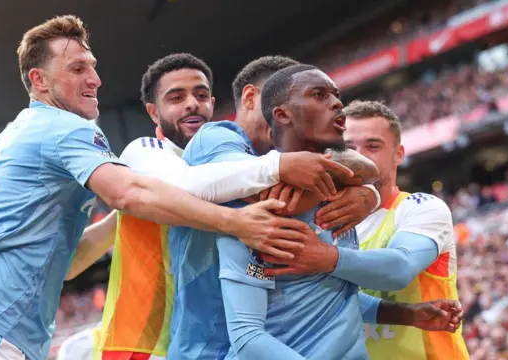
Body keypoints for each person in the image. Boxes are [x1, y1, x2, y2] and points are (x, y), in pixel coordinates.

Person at [0, 18, 337, 360]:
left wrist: (122, 218)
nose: (96, 79)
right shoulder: (67, 129)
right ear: (40, 79)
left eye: (93, 66)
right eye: (78, 69)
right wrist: (238, 220)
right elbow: (130, 192)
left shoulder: (27, 130)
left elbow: (72, 260)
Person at [64, 54, 357, 360]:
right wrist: (276, 170)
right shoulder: (146, 152)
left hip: (215, 341)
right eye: (176, 97)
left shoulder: (234, 162)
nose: (192, 104)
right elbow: (187, 185)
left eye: (201, 95)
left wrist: (364, 191)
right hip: (146, 346)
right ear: (153, 112)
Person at [210, 64, 462, 359]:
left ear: (399, 153)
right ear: (281, 115)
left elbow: (333, 294)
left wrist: (404, 314)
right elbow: (247, 335)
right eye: (319, 94)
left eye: (336, 95)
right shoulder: (254, 206)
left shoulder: (348, 201)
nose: (337, 103)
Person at [340, 100, 469, 359]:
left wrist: (319, 259)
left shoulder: (421, 207)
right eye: (349, 148)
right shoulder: (328, 222)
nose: (359, 155)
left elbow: (398, 269)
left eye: (372, 146)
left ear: (399, 154)